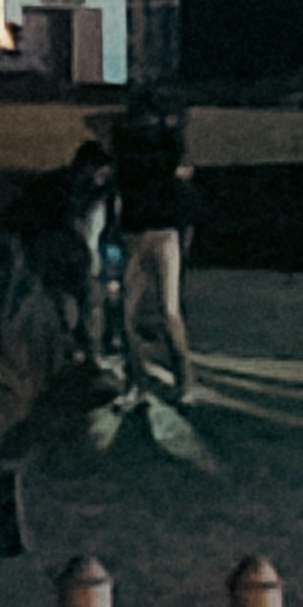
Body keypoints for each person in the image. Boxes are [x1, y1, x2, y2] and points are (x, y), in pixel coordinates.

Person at [95, 91, 200, 396]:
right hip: (160, 234)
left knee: (132, 313)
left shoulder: (125, 149)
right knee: (167, 312)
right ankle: (182, 381)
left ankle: (139, 381)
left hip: (140, 233)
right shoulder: (167, 145)